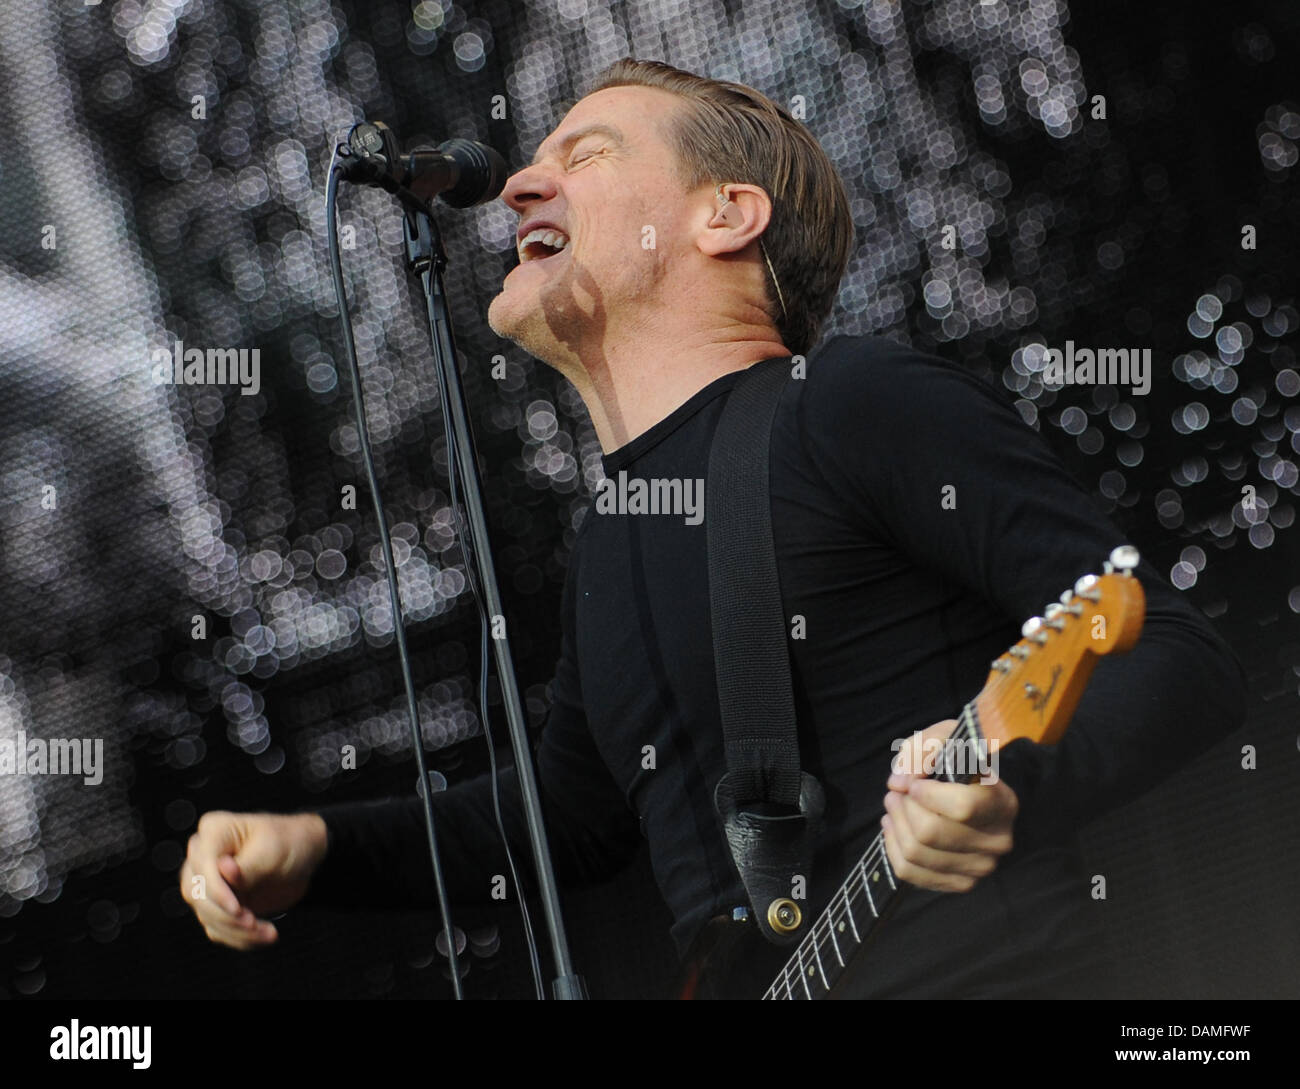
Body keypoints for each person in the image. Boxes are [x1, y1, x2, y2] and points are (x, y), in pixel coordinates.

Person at [181, 58, 1246, 997]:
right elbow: (564, 822)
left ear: (726, 214)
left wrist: (1014, 788)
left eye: (584, 153)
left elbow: (1174, 647)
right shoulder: (608, 547)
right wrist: (315, 846)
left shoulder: (851, 404)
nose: (514, 186)